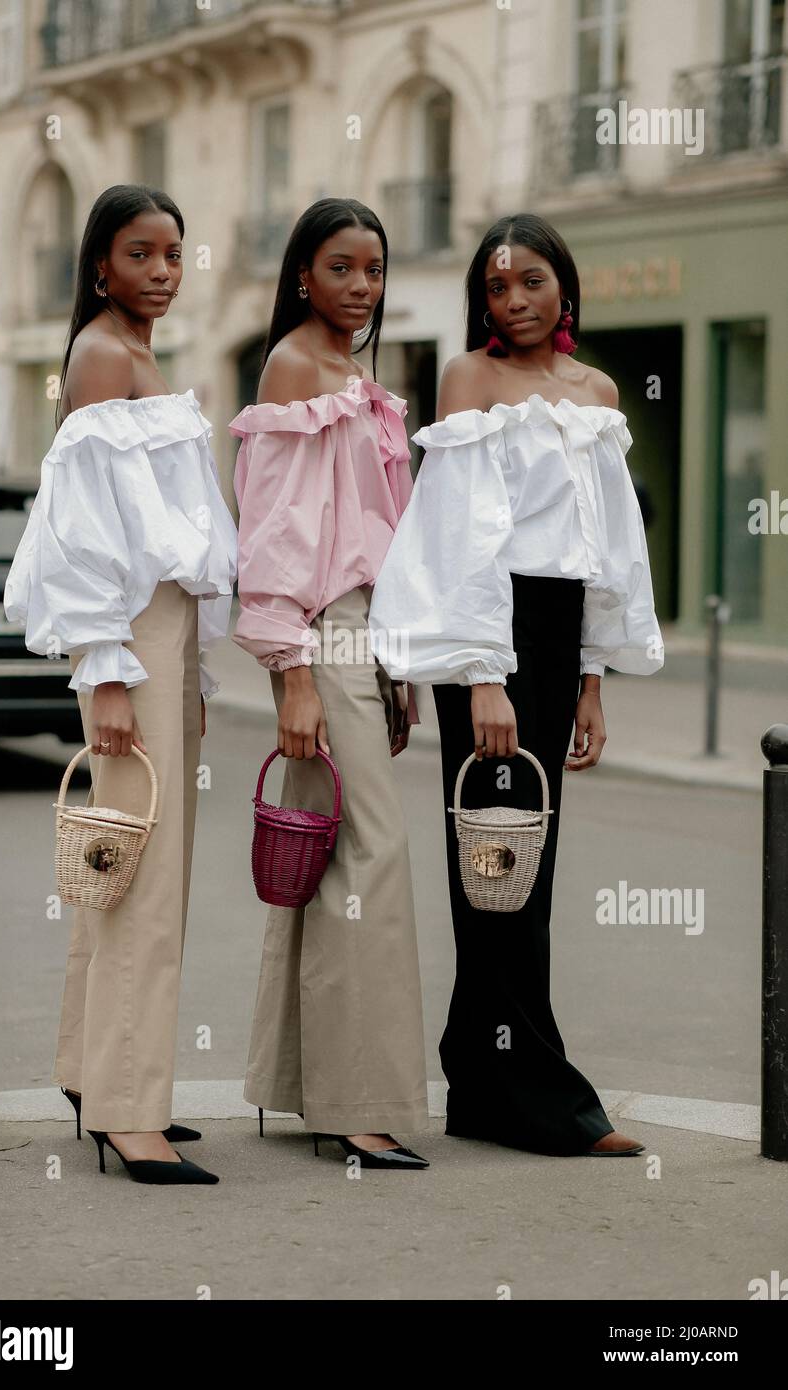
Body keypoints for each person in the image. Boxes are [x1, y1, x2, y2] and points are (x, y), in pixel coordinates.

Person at [369, 212, 664, 1157]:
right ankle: (535, 1093)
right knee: (495, 862)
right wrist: (483, 678)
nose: (514, 301)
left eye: (530, 281)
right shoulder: (470, 380)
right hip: (487, 636)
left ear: (564, 288)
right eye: (497, 288)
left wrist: (590, 679)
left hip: (556, 628)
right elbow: (462, 538)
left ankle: (484, 1080)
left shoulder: (597, 393)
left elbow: (603, 550)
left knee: (522, 861)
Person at [4, 184, 237, 1184]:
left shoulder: (137, 355)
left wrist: (187, 669)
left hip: (163, 629)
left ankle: (91, 1071)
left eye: (174, 255)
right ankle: (128, 1108)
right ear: (101, 265)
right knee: (141, 869)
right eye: (140, 253)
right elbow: (83, 527)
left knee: (123, 860)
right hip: (130, 629)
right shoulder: (104, 353)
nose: (162, 271)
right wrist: (104, 667)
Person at [230, 198, 430, 1170]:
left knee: (326, 863)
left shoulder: (358, 375)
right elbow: (270, 533)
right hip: (317, 634)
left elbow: (380, 537)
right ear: (301, 276)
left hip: (362, 634)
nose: (360, 286)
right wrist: (289, 675)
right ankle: (351, 1106)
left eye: (374, 270)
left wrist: (396, 663)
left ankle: (299, 1084)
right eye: (341, 268)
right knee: (369, 857)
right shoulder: (294, 366)